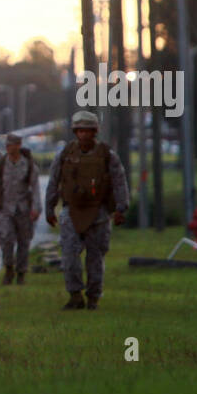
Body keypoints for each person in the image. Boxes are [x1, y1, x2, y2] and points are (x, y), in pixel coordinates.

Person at [45, 110, 130, 310]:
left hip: (98, 213)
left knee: (95, 258)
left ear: (95, 132)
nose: (84, 134)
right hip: (70, 211)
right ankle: (75, 295)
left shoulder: (107, 155)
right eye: (80, 130)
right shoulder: (65, 154)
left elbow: (119, 182)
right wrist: (49, 207)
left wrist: (120, 208)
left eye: (88, 130)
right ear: (75, 131)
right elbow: (54, 181)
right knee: (69, 256)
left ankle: (93, 297)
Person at [0, 132, 41, 286]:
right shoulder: (0, 165)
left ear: (18, 145)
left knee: (24, 242)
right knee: (6, 239)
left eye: (11, 144)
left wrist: (36, 208)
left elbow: (35, 187)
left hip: (23, 209)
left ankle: (21, 273)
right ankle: (8, 268)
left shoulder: (29, 164)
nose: (8, 147)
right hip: (5, 209)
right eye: (7, 144)